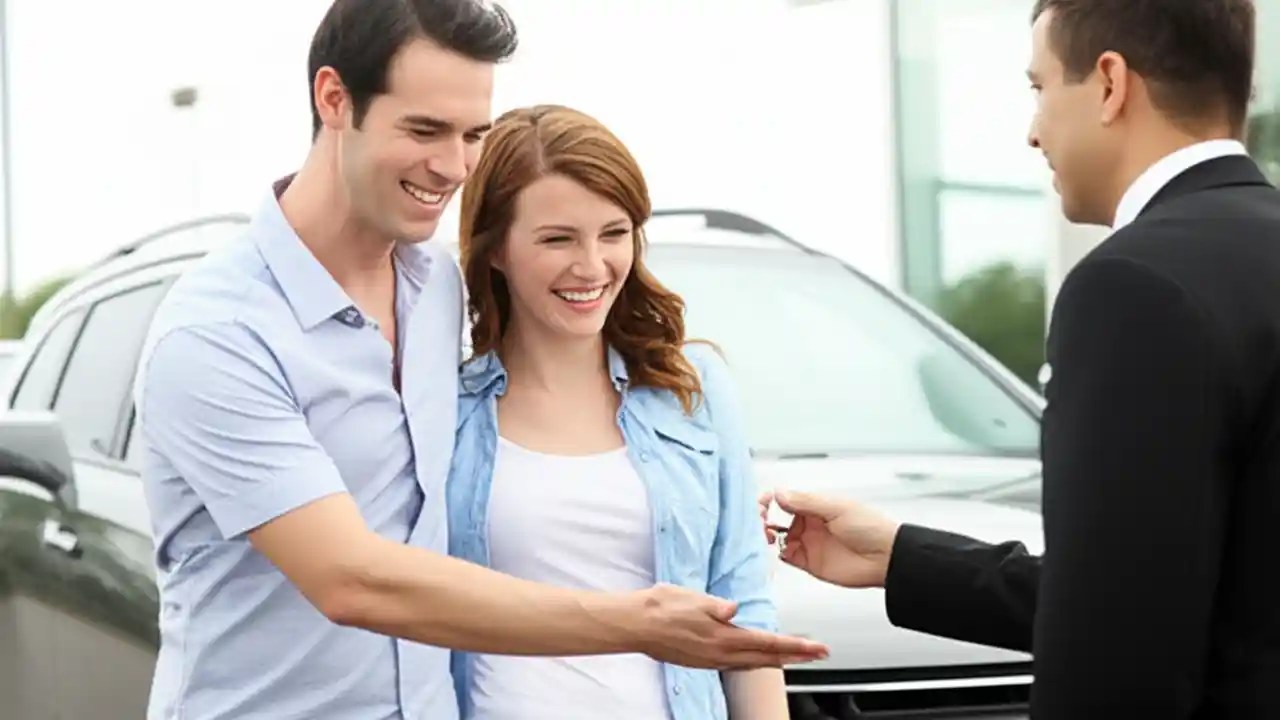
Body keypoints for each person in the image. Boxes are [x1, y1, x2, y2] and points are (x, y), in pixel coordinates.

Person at [133, 2, 825, 719]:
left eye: (472, 135)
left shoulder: (435, 290)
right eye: (424, 130)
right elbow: (352, 581)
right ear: (334, 99)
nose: (453, 166)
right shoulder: (218, 335)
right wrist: (636, 623)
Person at [764, 0, 1280, 717]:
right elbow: (1196, 588)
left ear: (1109, 83)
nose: (1033, 131)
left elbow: (1118, 648)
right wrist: (902, 557)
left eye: (1039, 88)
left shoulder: (1135, 285)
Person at [446, 104, 789, 720]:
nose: (591, 266)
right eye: (557, 239)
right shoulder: (444, 411)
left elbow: (745, 614)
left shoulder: (694, 390)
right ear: (495, 249)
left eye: (613, 233)